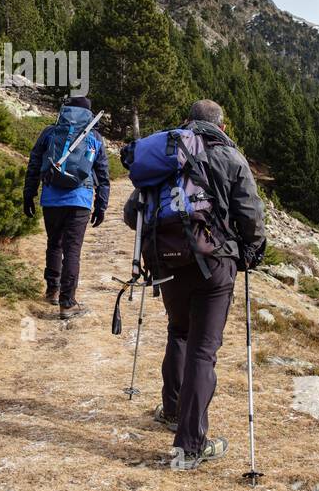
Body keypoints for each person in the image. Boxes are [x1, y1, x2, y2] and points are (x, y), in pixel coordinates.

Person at [123, 99, 266, 470]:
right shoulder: (231, 158)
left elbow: (130, 213)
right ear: (221, 125)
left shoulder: (169, 154)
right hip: (214, 264)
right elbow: (251, 213)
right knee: (203, 350)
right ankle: (188, 446)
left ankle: (172, 409)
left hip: (168, 264)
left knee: (179, 332)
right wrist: (250, 252)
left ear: (187, 122)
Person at [24, 96, 110, 320]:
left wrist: (29, 194)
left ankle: (52, 290)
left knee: (54, 244)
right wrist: (101, 205)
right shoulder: (94, 137)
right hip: (80, 200)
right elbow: (103, 174)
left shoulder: (50, 132)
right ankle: (67, 303)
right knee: (72, 250)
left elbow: (34, 164)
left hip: (51, 198)